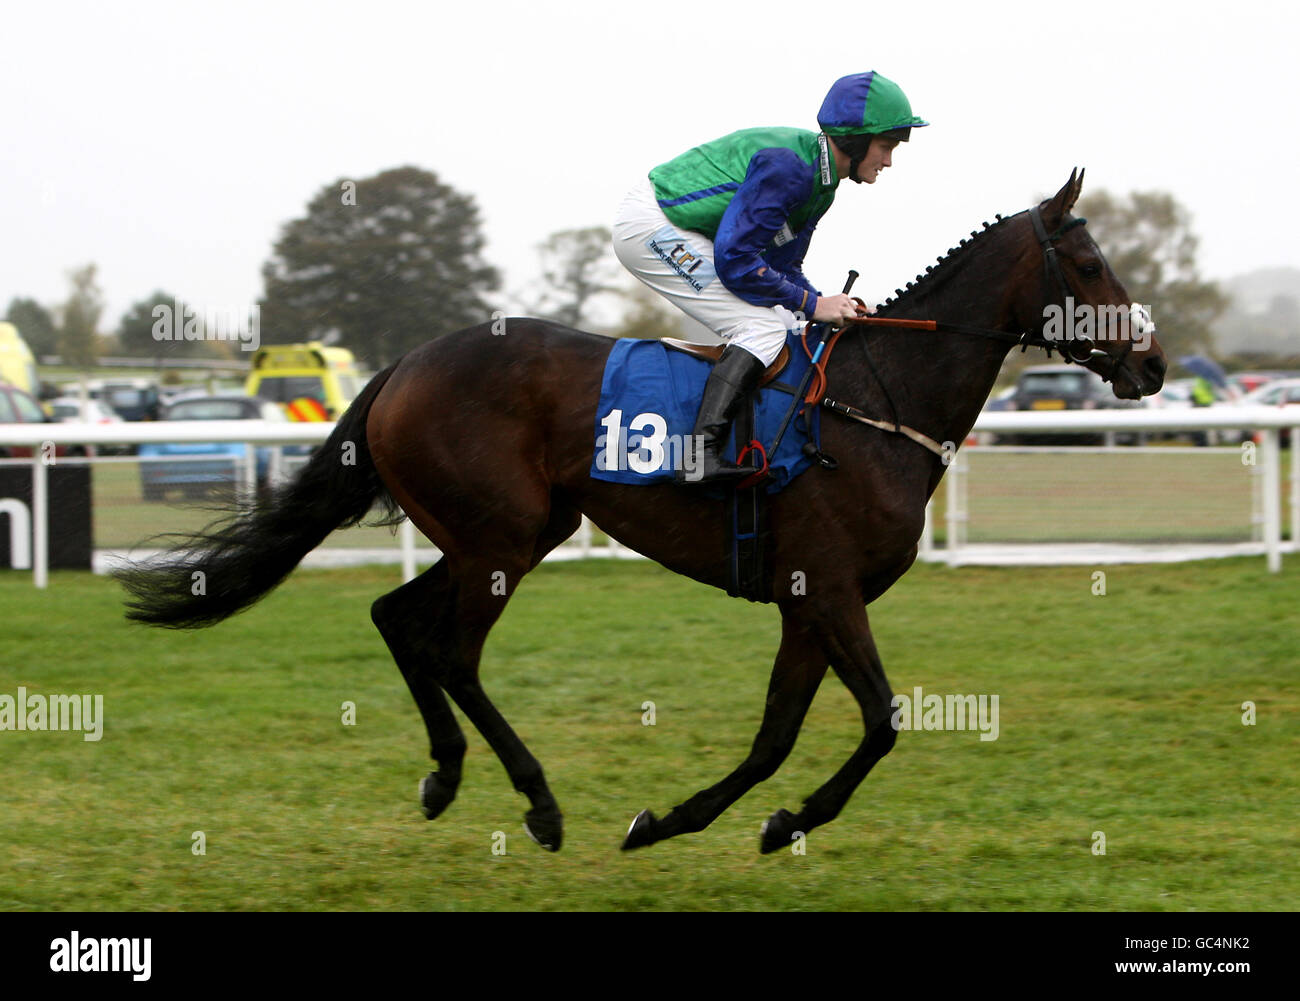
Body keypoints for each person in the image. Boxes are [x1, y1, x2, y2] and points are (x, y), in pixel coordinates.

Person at [612, 71, 927, 483]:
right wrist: (815, 305)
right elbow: (737, 261)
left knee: (786, 321)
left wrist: (825, 307)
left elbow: (784, 267)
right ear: (854, 139)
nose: (888, 161)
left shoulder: (822, 183)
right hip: (651, 225)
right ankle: (698, 455)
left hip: (686, 231)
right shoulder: (789, 169)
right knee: (760, 327)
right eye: (885, 147)